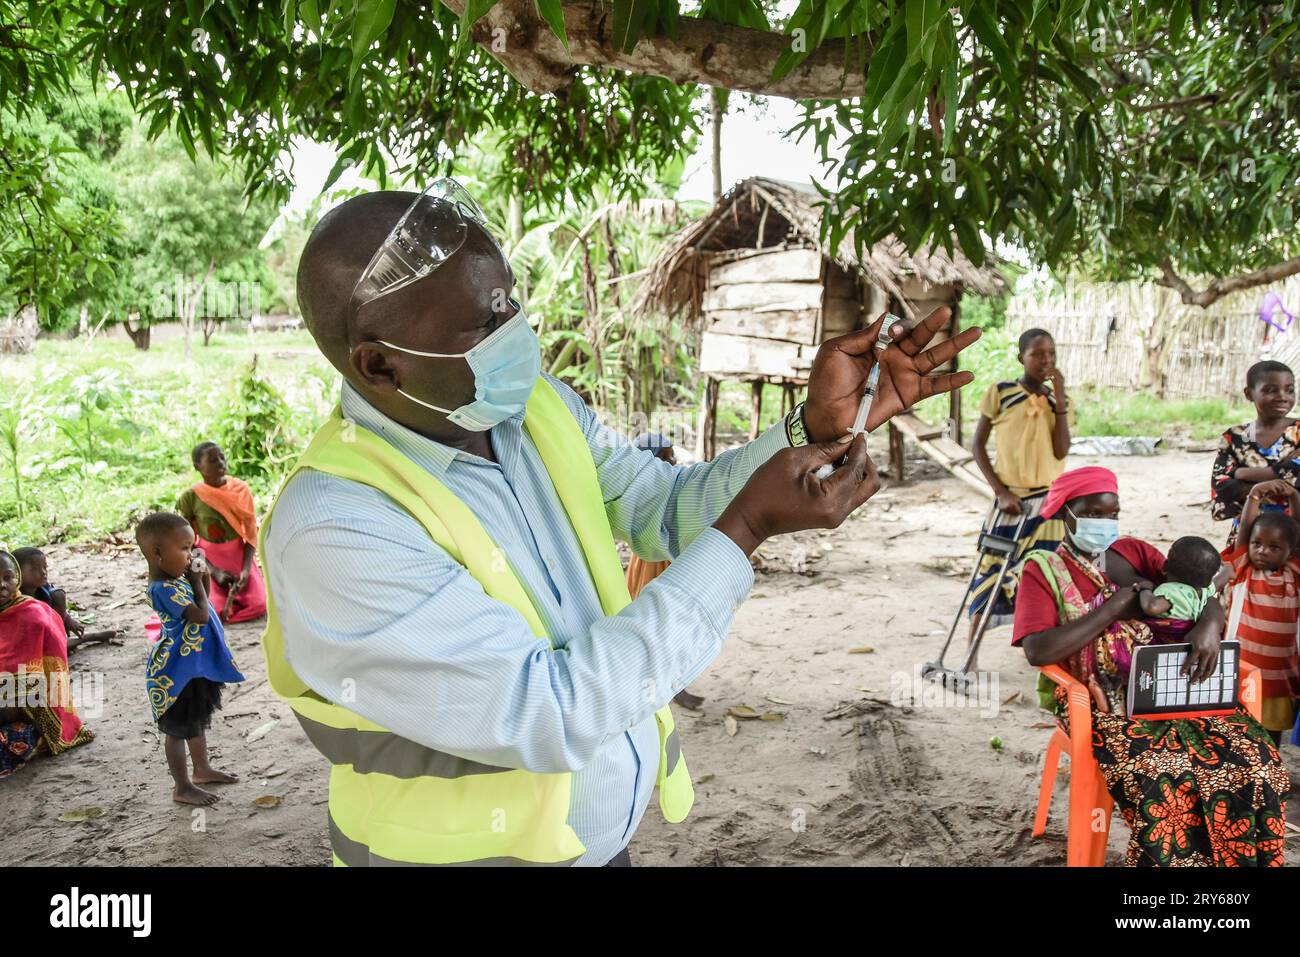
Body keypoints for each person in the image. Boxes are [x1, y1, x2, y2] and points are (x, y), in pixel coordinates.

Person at [260, 182, 980, 867]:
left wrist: (809, 427)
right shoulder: (336, 529)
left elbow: (665, 509)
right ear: (380, 366)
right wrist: (749, 525)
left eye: (512, 302)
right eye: (487, 322)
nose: (519, 330)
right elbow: (546, 709)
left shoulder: (532, 411)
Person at [1015, 466, 1288, 866]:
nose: (1105, 523)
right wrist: (1113, 609)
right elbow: (1039, 651)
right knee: (1165, 776)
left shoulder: (1132, 552)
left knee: (1255, 763)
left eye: (1112, 513)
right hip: (1104, 705)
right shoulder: (1043, 570)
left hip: (1176, 690)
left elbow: (1197, 587)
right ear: (1066, 513)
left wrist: (1211, 625)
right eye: (1093, 513)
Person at [965, 328, 1073, 668]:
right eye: (1038, 354)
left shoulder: (1061, 402)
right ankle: (970, 657)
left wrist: (1060, 399)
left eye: (1051, 354)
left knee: (1046, 576)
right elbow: (977, 445)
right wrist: (1000, 490)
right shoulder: (1001, 392)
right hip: (1010, 502)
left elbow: (1061, 450)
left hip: (1051, 505)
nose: (1047, 361)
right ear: (1021, 358)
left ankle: (1048, 657)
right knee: (992, 574)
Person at [136, 512, 245, 806]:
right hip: (176, 672)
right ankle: (182, 786)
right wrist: (196, 580)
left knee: (195, 720)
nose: (190, 554)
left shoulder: (177, 580)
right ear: (158, 554)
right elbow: (199, 615)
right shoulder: (162, 588)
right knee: (177, 730)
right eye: (184, 549)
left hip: (193, 667)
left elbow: (204, 599)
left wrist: (202, 577)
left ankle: (202, 769)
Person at [623, 433, 705, 710]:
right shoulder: (645, 487)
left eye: (672, 455)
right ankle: (669, 687)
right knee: (661, 623)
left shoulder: (662, 483)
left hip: (662, 559)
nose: (672, 460)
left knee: (667, 624)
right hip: (654, 560)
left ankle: (671, 684)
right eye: (666, 456)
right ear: (649, 459)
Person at [1220, 479, 1300, 745]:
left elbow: (1297, 531)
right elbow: (1244, 530)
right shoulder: (1244, 569)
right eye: (1257, 544)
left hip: (1280, 677)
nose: (1262, 551)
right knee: (1237, 733)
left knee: (1270, 738)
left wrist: (1295, 498)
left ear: (1290, 551)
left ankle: (1270, 781)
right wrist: (1254, 496)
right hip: (1240, 673)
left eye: (1274, 547)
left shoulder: (1294, 573)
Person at [0, 550, 93, 777]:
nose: (1, 585)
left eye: (7, 578)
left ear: (17, 578)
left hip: (29, 704)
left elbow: (28, 682)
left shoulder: (32, 615)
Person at [1211, 359, 1300, 549]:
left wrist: (1244, 475)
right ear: (1249, 393)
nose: (1282, 397)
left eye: (1289, 390)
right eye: (1270, 390)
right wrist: (1284, 478)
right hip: (1249, 538)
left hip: (1295, 537)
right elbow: (1222, 488)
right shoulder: (1235, 437)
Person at [174, 441, 267, 624]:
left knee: (259, 605)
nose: (221, 463)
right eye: (213, 460)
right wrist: (214, 571)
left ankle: (226, 613)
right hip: (205, 559)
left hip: (238, 556)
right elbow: (187, 543)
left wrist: (246, 569)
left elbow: (250, 535)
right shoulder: (191, 497)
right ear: (198, 467)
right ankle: (218, 613)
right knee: (212, 608)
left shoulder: (241, 489)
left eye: (222, 457)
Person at [12, 546, 122, 648]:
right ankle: (88, 638)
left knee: (58, 595)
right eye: (35, 569)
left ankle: (60, 639)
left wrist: (67, 619)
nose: (43, 572)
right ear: (17, 573)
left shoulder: (43, 588)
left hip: (47, 633)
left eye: (45, 567)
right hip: (28, 642)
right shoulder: (13, 597)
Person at [1136, 535, 1224, 642]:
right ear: (1207, 582)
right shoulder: (1204, 591)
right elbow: (1218, 582)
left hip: (1162, 640)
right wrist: (1228, 572)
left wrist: (1145, 588)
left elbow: (1152, 607)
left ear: (1164, 566)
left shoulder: (1172, 591)